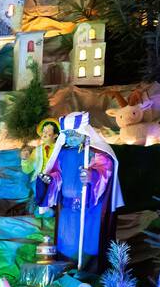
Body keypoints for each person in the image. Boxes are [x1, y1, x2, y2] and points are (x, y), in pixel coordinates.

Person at [32, 112, 123, 274]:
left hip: (91, 210)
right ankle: (67, 270)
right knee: (67, 242)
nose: (70, 137)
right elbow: (58, 175)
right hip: (67, 210)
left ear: (84, 132)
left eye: (73, 133)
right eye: (66, 134)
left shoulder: (97, 152)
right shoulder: (63, 153)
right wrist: (48, 180)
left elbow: (105, 171)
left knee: (89, 243)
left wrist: (92, 176)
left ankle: (90, 273)